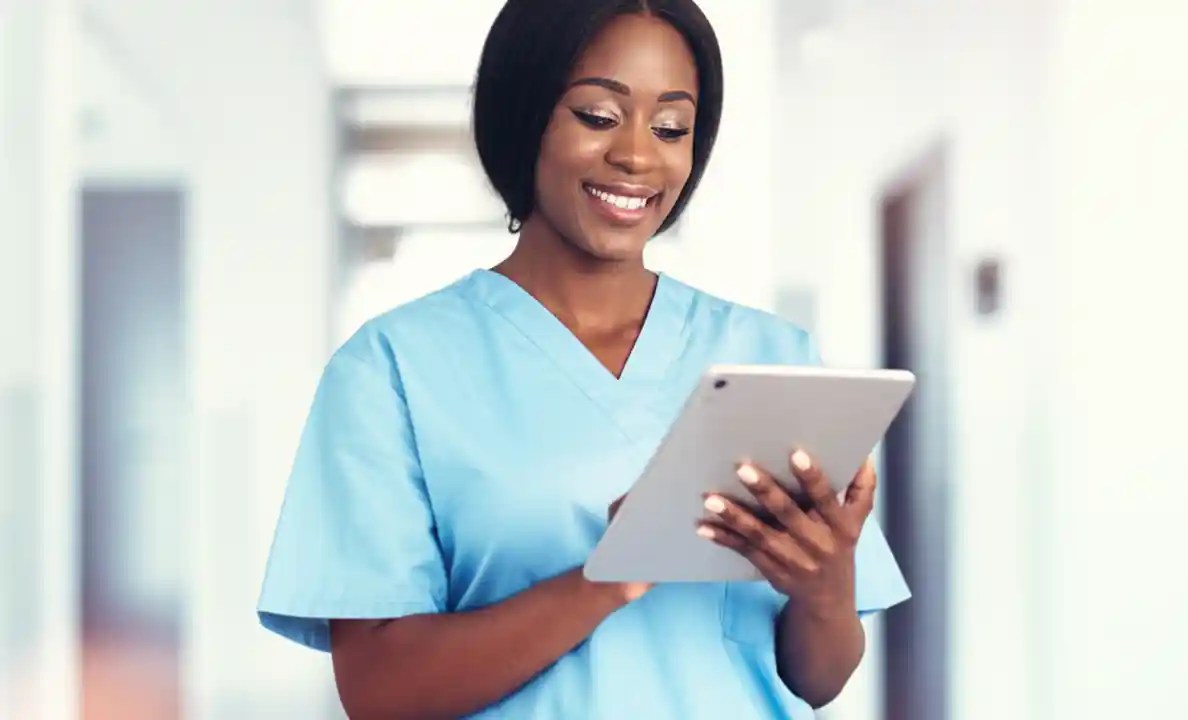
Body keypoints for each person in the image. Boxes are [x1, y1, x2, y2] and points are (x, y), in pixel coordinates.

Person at [256, 0, 910, 717]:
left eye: (671, 127)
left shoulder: (773, 356)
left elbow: (820, 678)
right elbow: (380, 692)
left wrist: (825, 588)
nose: (636, 155)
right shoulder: (392, 369)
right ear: (524, 116)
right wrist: (607, 578)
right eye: (597, 116)